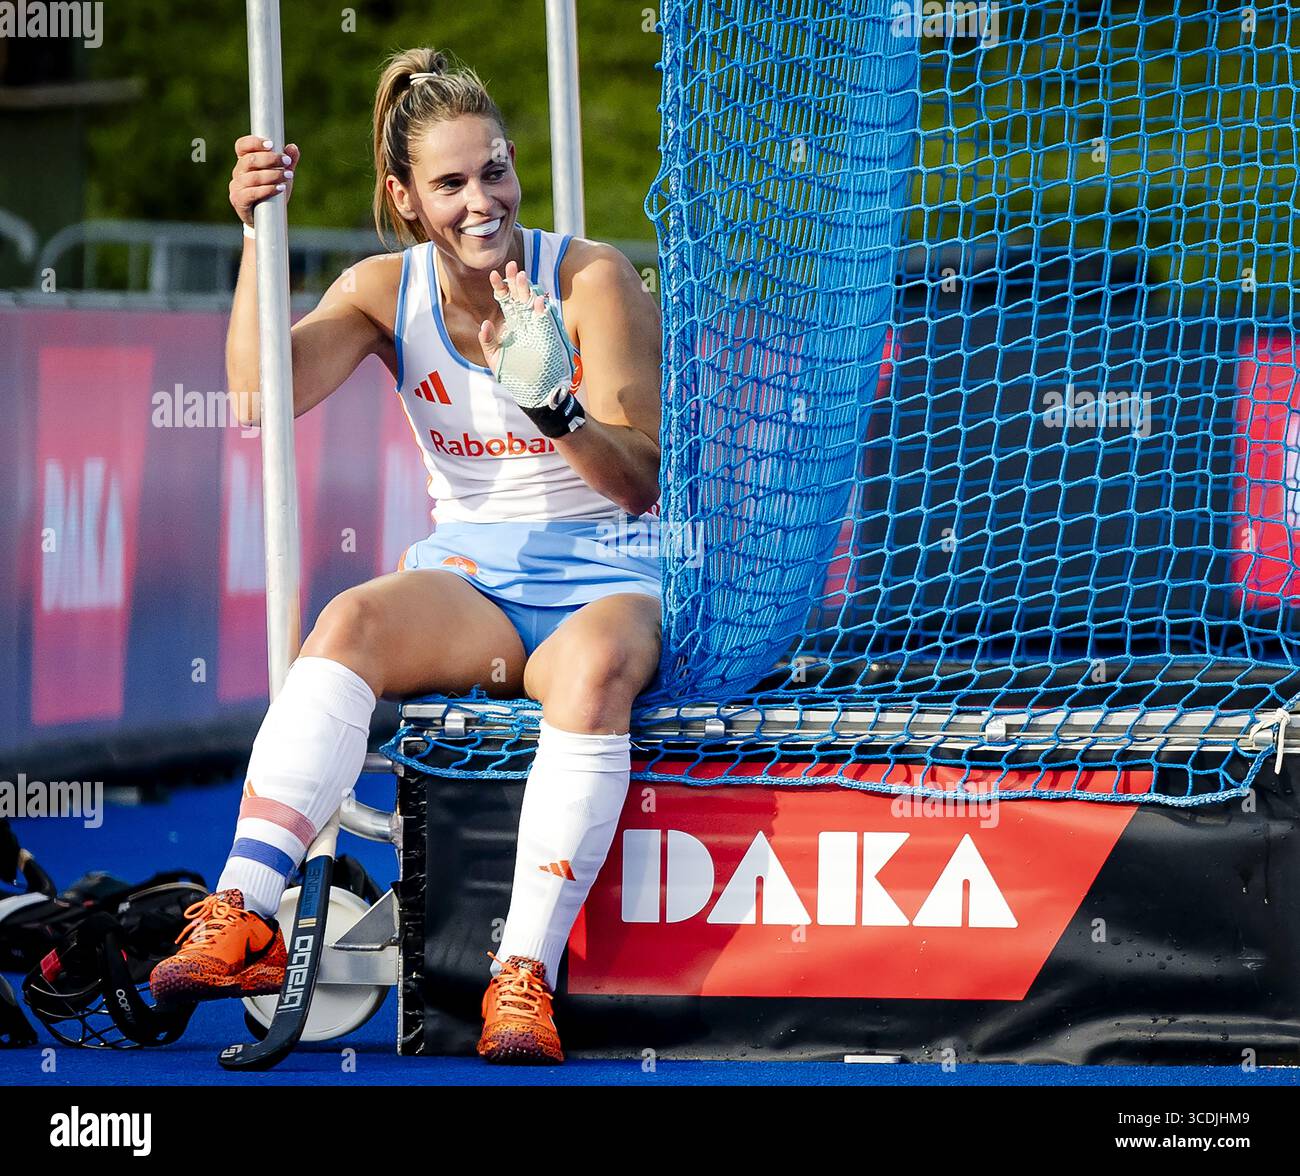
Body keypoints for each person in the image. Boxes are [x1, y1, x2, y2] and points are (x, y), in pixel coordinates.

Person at [149, 47, 664, 1065]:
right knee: (347, 621)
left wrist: (553, 409)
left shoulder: (591, 278)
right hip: (474, 580)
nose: (485, 202)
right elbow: (261, 398)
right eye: (452, 184)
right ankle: (245, 906)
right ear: (406, 197)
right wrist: (256, 232)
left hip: (604, 574)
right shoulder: (386, 291)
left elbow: (639, 481)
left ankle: (521, 977)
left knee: (596, 669)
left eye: (497, 171)